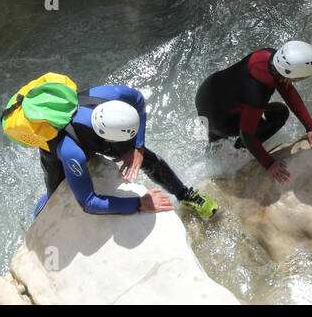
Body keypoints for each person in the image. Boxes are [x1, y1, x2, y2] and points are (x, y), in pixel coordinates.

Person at [35, 83, 218, 219]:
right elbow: (89, 203)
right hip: (58, 151)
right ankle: (37, 216)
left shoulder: (107, 95)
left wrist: (138, 147)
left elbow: (137, 99)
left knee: (147, 158)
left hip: (98, 134)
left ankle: (185, 194)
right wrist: (138, 203)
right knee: (55, 193)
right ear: (107, 139)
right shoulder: (71, 152)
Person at [195, 41, 312, 184]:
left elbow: (288, 91)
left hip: (206, 95)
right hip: (220, 121)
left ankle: (212, 150)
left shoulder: (269, 55)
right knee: (280, 113)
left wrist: (310, 127)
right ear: (294, 76)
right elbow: (246, 134)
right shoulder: (257, 94)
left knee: (217, 134)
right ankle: (240, 150)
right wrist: (269, 163)